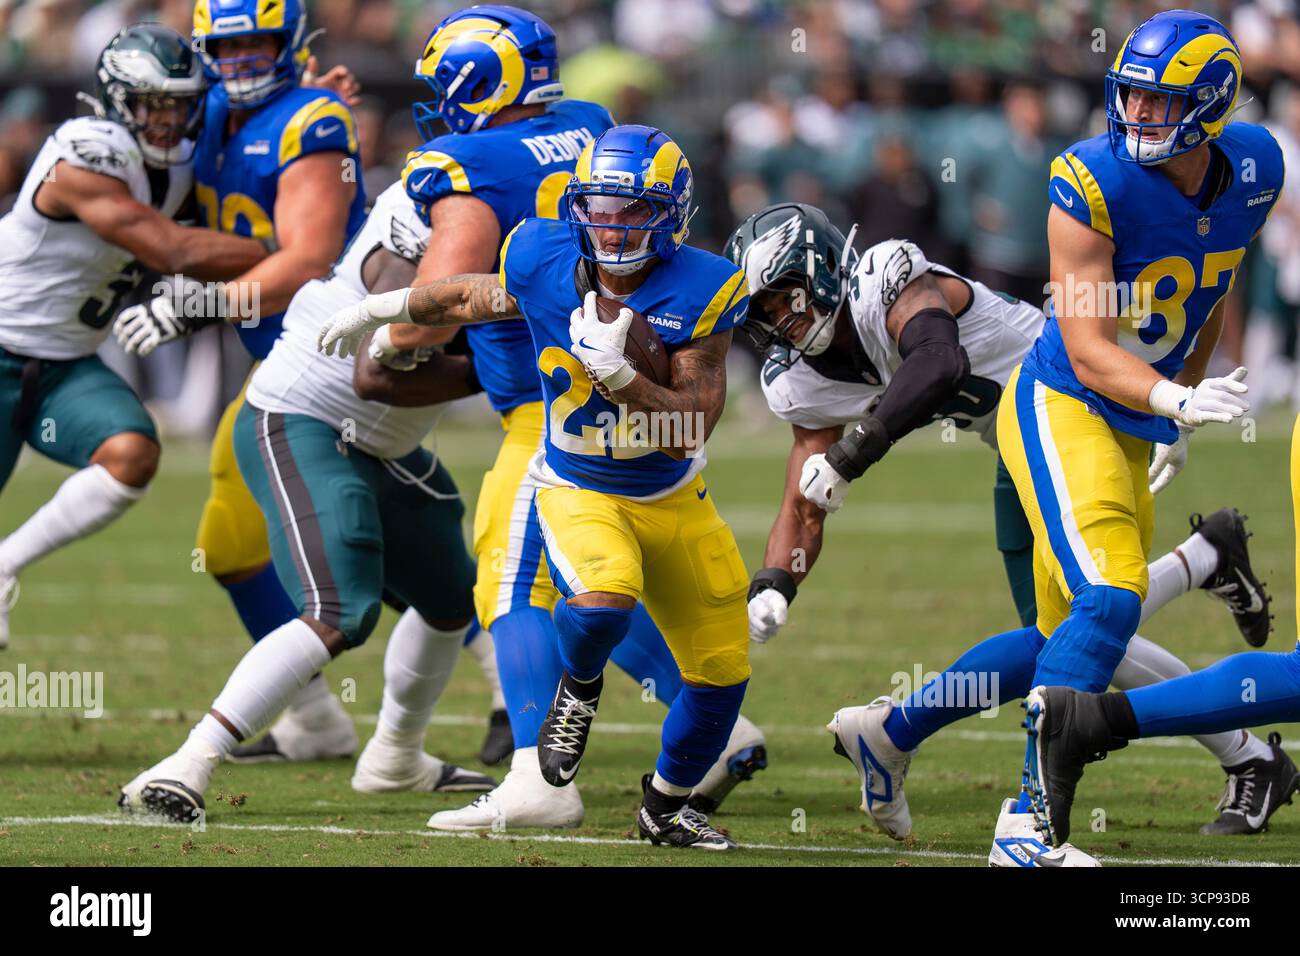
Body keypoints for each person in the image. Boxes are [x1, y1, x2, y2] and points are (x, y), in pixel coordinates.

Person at [727, 201, 1290, 852]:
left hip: (1076, 423)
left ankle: (1245, 750)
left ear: (823, 270)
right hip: (1021, 454)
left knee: (1077, 637)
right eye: (764, 314)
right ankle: (1205, 572)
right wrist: (775, 581)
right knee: (1065, 637)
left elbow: (938, 363)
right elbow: (803, 496)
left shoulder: (886, 273)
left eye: (783, 297)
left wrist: (855, 453)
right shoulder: (796, 381)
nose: (780, 320)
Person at [355, 5, 765, 832]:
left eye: (447, 84)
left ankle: (538, 780)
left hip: (551, 418)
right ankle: (713, 728)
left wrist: (391, 324)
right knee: (592, 586)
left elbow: (435, 312)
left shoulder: (464, 162)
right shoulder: (587, 124)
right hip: (581, 414)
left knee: (511, 583)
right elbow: (482, 290)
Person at [998, 9, 1280, 865]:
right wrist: (1170, 397)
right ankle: (1026, 826)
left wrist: (1176, 403)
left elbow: (1215, 278)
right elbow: (1086, 347)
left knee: (1077, 637)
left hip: (1133, 418)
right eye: (1130, 98)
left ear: (1211, 106)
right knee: (1112, 594)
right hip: (1063, 403)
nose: (1137, 117)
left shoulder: (1255, 168)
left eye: (1159, 104)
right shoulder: (1091, 180)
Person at [113, 0, 368, 763]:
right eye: (227, 46)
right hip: (280, 356)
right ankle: (317, 716)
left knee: (392, 554)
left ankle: (501, 693)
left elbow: (310, 258)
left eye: (258, 42)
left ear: (288, 39)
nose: (244, 60)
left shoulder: (309, 120)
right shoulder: (208, 105)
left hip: (335, 352)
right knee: (234, 545)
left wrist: (199, 303)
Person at [0, 24, 266, 648]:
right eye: (154, 104)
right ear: (119, 99)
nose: (169, 120)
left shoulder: (175, 166)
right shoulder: (85, 151)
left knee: (132, 454)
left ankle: (5, 563)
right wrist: (294, 252)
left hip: (64, 364)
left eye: (180, 104)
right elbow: (167, 246)